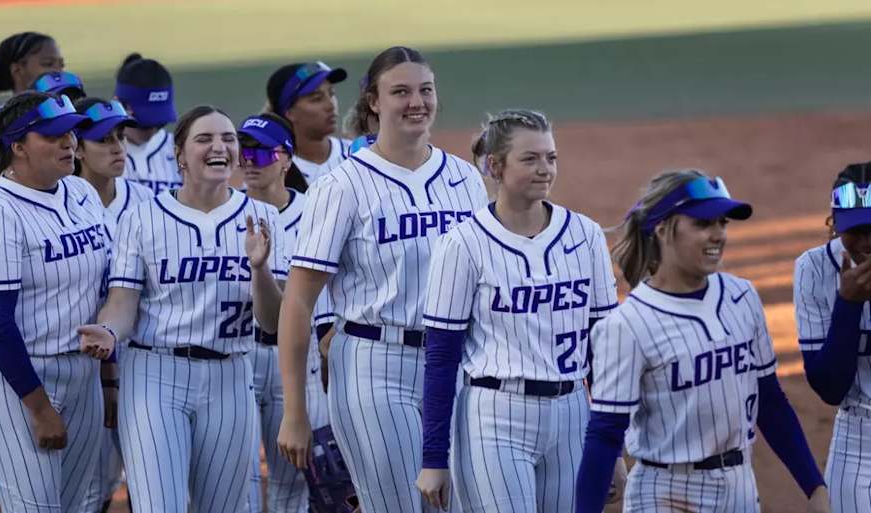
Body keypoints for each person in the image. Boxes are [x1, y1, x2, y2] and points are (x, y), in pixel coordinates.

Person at [276, 46, 488, 513]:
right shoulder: (343, 186)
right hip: (376, 366)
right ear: (374, 102)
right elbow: (298, 300)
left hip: (455, 362)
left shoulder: (464, 179)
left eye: (425, 90)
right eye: (401, 92)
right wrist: (296, 410)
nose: (417, 102)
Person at [575, 170, 830, 513]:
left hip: (739, 486)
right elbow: (605, 434)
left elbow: (769, 399)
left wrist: (814, 488)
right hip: (666, 493)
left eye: (722, 223)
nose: (718, 235)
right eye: (703, 224)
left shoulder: (742, 297)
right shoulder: (628, 325)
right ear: (663, 229)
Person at [79, 105, 286, 513]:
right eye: (204, 139)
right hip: (156, 375)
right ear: (180, 155)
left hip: (231, 375)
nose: (220, 147)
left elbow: (273, 321)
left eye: (228, 139)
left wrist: (260, 269)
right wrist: (108, 331)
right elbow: (123, 302)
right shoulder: (143, 218)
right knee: (159, 504)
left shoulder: (262, 218)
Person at [415, 109, 619, 512]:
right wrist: (434, 458)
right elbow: (441, 357)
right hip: (496, 418)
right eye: (531, 159)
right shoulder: (463, 243)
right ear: (494, 165)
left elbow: (604, 350)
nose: (545, 169)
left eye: (551, 157)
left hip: (572, 412)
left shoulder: (585, 235)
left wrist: (610, 445)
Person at [0, 91, 109, 513]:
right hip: (16, 380)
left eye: (72, 133)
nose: (70, 143)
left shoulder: (81, 193)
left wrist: (108, 382)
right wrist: (40, 408)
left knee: (73, 505)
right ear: (17, 146)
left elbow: (104, 287)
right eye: (54, 135)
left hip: (82, 374)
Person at [237, 112, 331, 512]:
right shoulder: (223, 211)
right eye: (244, 151)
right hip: (237, 357)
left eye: (261, 153)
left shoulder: (314, 214)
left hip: (293, 358)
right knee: (234, 477)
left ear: (287, 160)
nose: (249, 161)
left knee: (292, 478)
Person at [73, 97, 154, 513]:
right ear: (77, 147)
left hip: (140, 361)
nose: (118, 147)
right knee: (92, 485)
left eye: (120, 137)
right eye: (103, 139)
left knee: (151, 480)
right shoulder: (61, 204)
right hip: (80, 364)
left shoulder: (146, 203)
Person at [795, 162, 871, 513]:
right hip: (858, 442)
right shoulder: (813, 268)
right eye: (857, 230)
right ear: (835, 224)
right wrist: (848, 305)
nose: (867, 242)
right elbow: (829, 387)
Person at [0, 31, 64, 204]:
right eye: (48, 64)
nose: (58, 72)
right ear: (18, 70)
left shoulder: (66, 123)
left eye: (61, 65)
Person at [267, 61, 350, 184]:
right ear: (289, 112)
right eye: (316, 98)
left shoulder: (359, 153)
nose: (331, 105)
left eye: (332, 94)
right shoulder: (270, 171)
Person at [114, 53, 182, 193]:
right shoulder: (96, 153)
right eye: (144, 122)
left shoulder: (182, 150)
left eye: (160, 122)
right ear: (118, 103)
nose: (151, 129)